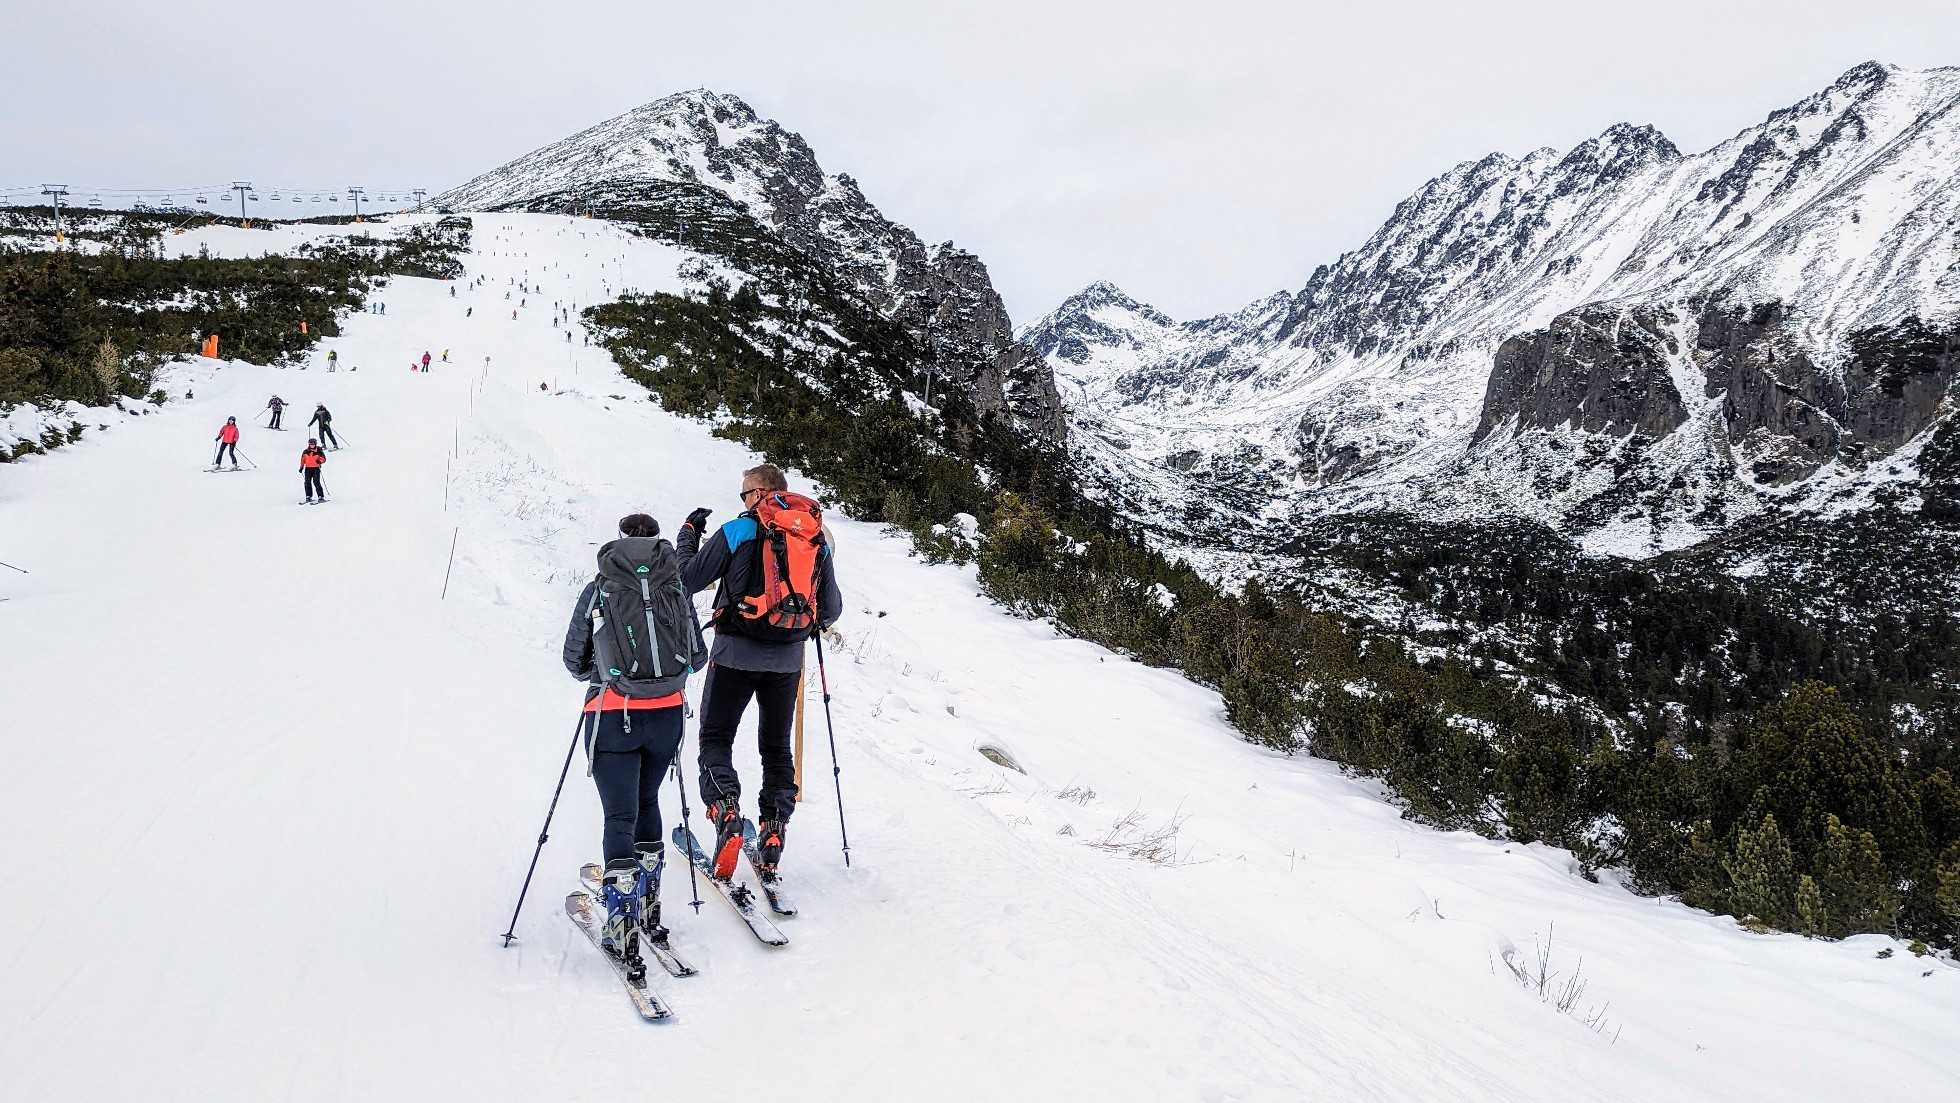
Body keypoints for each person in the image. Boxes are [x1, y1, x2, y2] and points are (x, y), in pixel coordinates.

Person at [677, 463, 842, 880]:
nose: (743, 500)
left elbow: (687, 579)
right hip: (787, 661)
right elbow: (833, 609)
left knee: (716, 736)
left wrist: (688, 536)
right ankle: (772, 830)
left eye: (744, 493)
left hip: (734, 652)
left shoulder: (738, 530)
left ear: (760, 492)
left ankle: (726, 811)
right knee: (776, 746)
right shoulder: (813, 537)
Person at [561, 513, 703, 959]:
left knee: (618, 816)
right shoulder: (675, 586)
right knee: (648, 803)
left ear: (619, 540)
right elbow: (695, 656)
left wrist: (605, 675)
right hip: (667, 715)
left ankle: (621, 923)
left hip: (612, 714)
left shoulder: (600, 586)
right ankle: (649, 908)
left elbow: (574, 659)